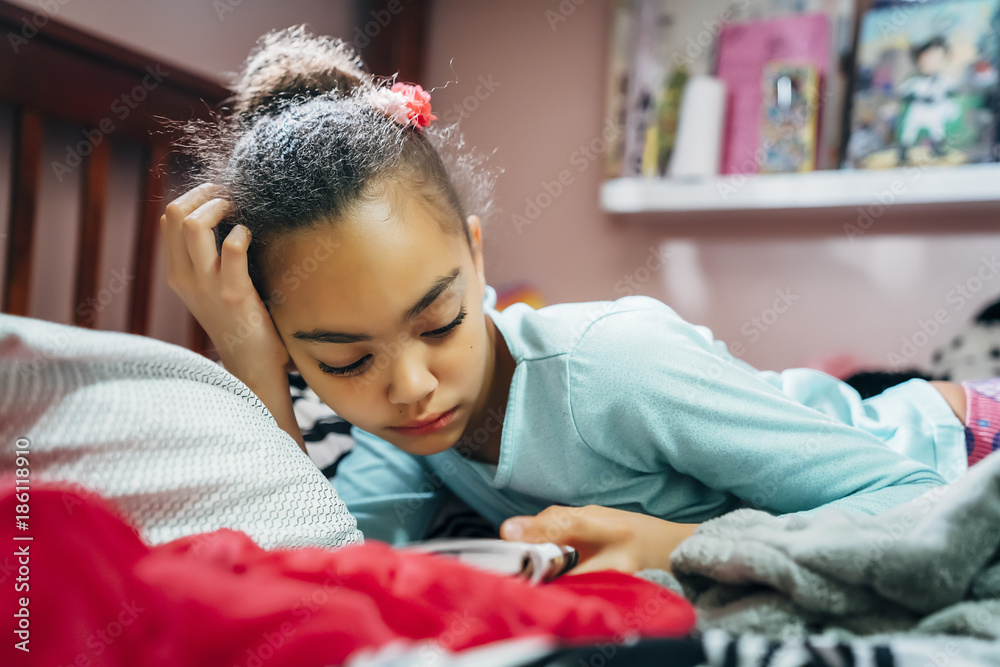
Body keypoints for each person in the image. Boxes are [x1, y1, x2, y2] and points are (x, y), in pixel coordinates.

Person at [161, 27, 992, 575]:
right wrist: (246, 351)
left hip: (963, 445)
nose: (409, 384)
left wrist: (679, 546)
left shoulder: (614, 365)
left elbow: (913, 498)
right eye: (344, 359)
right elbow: (322, 560)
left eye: (440, 322)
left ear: (476, 255)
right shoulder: (408, 432)